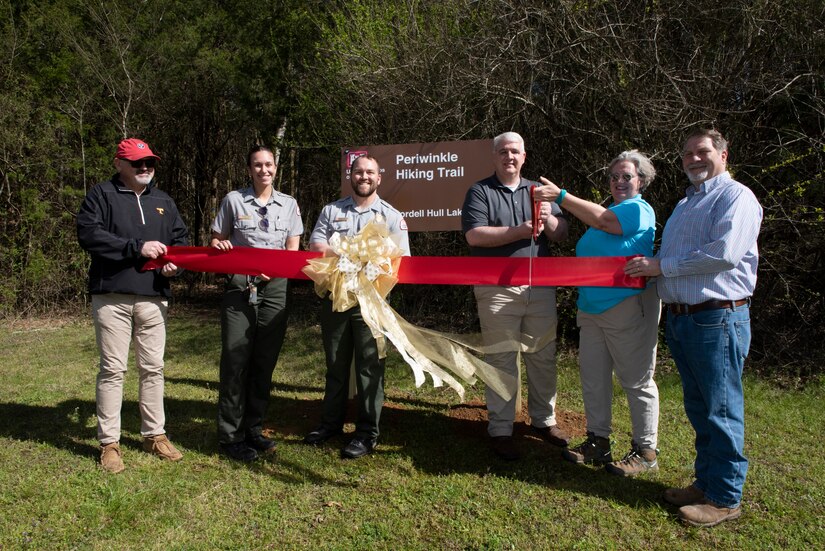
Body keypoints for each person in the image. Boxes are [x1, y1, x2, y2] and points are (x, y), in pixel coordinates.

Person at [625, 129, 762, 527]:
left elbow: (724, 254)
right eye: (686, 154)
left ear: (723, 153)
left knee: (720, 409)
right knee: (700, 408)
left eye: (702, 152)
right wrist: (648, 269)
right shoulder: (687, 203)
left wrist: (659, 267)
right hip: (684, 317)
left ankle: (724, 498)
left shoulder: (736, 197)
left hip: (717, 316)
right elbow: (671, 257)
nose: (693, 159)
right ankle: (706, 483)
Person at [533, 150, 661, 476]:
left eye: (627, 176)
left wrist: (561, 196)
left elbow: (605, 221)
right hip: (590, 310)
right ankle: (598, 442)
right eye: (614, 177)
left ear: (641, 181)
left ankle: (645, 451)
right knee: (594, 379)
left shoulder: (639, 210)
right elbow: (600, 221)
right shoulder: (607, 212)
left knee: (636, 380)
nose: (619, 182)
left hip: (626, 307)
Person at [77, 137, 189, 474]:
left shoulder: (164, 201)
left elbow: (180, 242)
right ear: (119, 164)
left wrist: (176, 265)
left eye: (150, 163)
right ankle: (109, 443)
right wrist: (135, 247)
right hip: (112, 296)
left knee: (153, 368)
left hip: (154, 298)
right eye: (137, 163)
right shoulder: (101, 195)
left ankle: (154, 434)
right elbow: (89, 234)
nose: (145, 169)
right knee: (113, 370)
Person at [461, 132, 570, 461]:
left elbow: (562, 235)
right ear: (494, 157)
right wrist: (518, 232)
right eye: (503, 151)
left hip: (540, 287)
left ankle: (543, 420)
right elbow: (475, 235)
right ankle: (501, 427)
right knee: (502, 358)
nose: (509, 157)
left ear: (524, 156)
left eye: (515, 152)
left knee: (542, 356)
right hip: (497, 289)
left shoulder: (540, 190)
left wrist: (549, 215)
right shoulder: (480, 191)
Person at [303, 154, 410, 459]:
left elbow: (399, 261)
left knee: (369, 366)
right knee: (335, 364)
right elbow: (316, 246)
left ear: (379, 178)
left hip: (372, 304)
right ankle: (330, 424)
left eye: (370, 172)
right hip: (336, 299)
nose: (364, 177)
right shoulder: (331, 210)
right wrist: (352, 254)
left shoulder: (391, 216)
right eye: (358, 172)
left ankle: (367, 433)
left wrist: (355, 258)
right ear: (350, 176)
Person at [210, 145, 304, 462]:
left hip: (275, 287)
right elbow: (216, 240)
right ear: (249, 169)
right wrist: (220, 244)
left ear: (276, 168)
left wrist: (276, 270)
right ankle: (230, 436)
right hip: (240, 285)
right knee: (236, 360)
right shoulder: (233, 200)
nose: (264, 170)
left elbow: (293, 250)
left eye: (269, 164)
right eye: (257, 165)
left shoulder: (289, 205)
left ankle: (253, 428)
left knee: (264, 361)